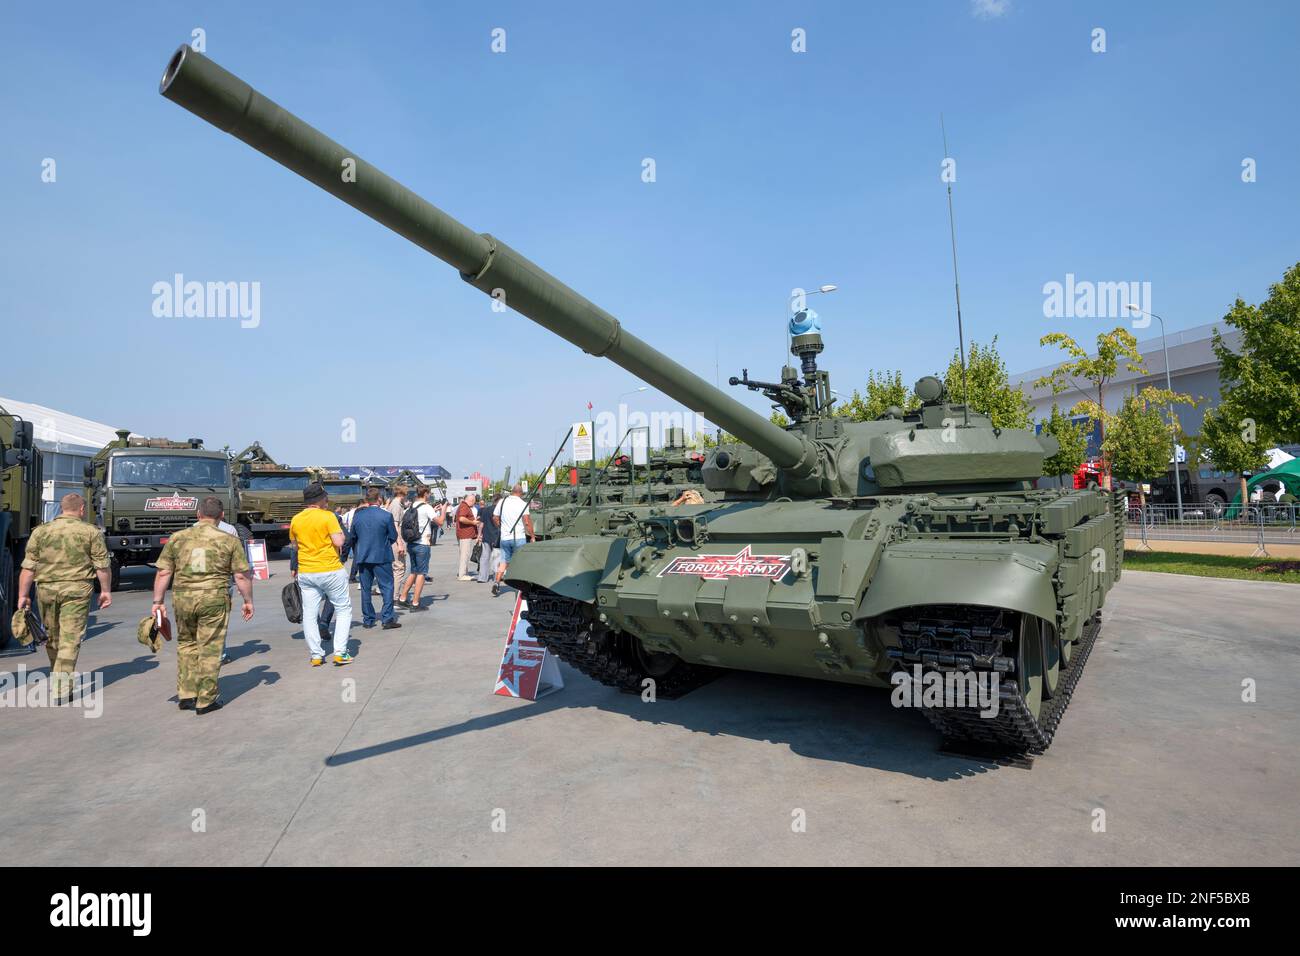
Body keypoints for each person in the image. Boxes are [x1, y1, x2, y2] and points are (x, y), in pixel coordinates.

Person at [153, 496, 254, 714]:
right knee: (210, 648)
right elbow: (242, 575)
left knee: (186, 644)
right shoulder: (229, 540)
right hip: (213, 598)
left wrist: (158, 602)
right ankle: (206, 699)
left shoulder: (178, 538)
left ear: (198, 514)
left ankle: (187, 694)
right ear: (222, 516)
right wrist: (248, 601)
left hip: (183, 598)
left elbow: (164, 572)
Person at [16, 493, 112, 703]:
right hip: (77, 590)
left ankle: (58, 677)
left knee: (52, 637)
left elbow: (28, 566)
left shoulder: (41, 532)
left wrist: (23, 595)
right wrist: (105, 590)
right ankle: (62, 688)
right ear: (82, 509)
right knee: (70, 639)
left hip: (46, 590)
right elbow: (102, 565)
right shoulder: (90, 532)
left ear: (61, 509)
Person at [289, 482, 354, 666]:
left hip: (307, 572)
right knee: (343, 609)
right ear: (320, 499)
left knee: (309, 613)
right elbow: (339, 540)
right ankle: (340, 652)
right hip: (330, 569)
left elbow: (295, 546)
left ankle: (316, 655)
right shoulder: (328, 517)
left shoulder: (296, 519)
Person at [348, 488, 401, 630]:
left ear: (367, 500)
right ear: (379, 499)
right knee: (387, 586)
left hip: (363, 556)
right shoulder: (386, 515)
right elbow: (393, 536)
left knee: (366, 589)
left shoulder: (358, 516)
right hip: (381, 555)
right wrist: (382, 544)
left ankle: (368, 619)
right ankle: (387, 618)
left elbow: (352, 536)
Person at [397, 486, 445, 610]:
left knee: (413, 571)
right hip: (422, 543)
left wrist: (433, 509)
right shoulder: (426, 507)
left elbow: (420, 518)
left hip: (411, 543)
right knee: (421, 573)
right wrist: (443, 510)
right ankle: (415, 602)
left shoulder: (412, 506)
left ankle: (402, 598)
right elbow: (440, 522)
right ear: (426, 494)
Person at [492, 484, 535, 597]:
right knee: (521, 562)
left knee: (504, 561)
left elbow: (495, 517)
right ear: (520, 493)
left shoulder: (502, 501)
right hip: (519, 538)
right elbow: (526, 522)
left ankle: (496, 583)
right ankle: (521, 587)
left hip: (505, 538)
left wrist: (501, 527)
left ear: (512, 492)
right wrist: (532, 536)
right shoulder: (522, 503)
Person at [386, 483, 410, 599]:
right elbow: (395, 525)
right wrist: (400, 543)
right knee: (399, 568)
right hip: (396, 540)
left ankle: (393, 596)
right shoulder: (396, 505)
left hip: (394, 539)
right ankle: (395, 598)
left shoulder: (395, 504)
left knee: (397, 568)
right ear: (402, 493)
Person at [476, 492, 502, 584]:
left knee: (484, 557)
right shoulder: (500, 511)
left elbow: (481, 524)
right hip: (497, 537)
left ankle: (482, 577)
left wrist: (479, 535)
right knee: (497, 558)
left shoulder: (486, 510)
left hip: (486, 536)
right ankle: (496, 577)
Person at [454, 492, 479, 581]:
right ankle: (462, 574)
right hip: (465, 534)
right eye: (474, 502)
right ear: (470, 500)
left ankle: (464, 572)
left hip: (463, 533)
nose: (474, 504)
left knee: (463, 554)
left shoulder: (462, 506)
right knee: (465, 554)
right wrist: (473, 522)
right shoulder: (464, 506)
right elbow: (461, 518)